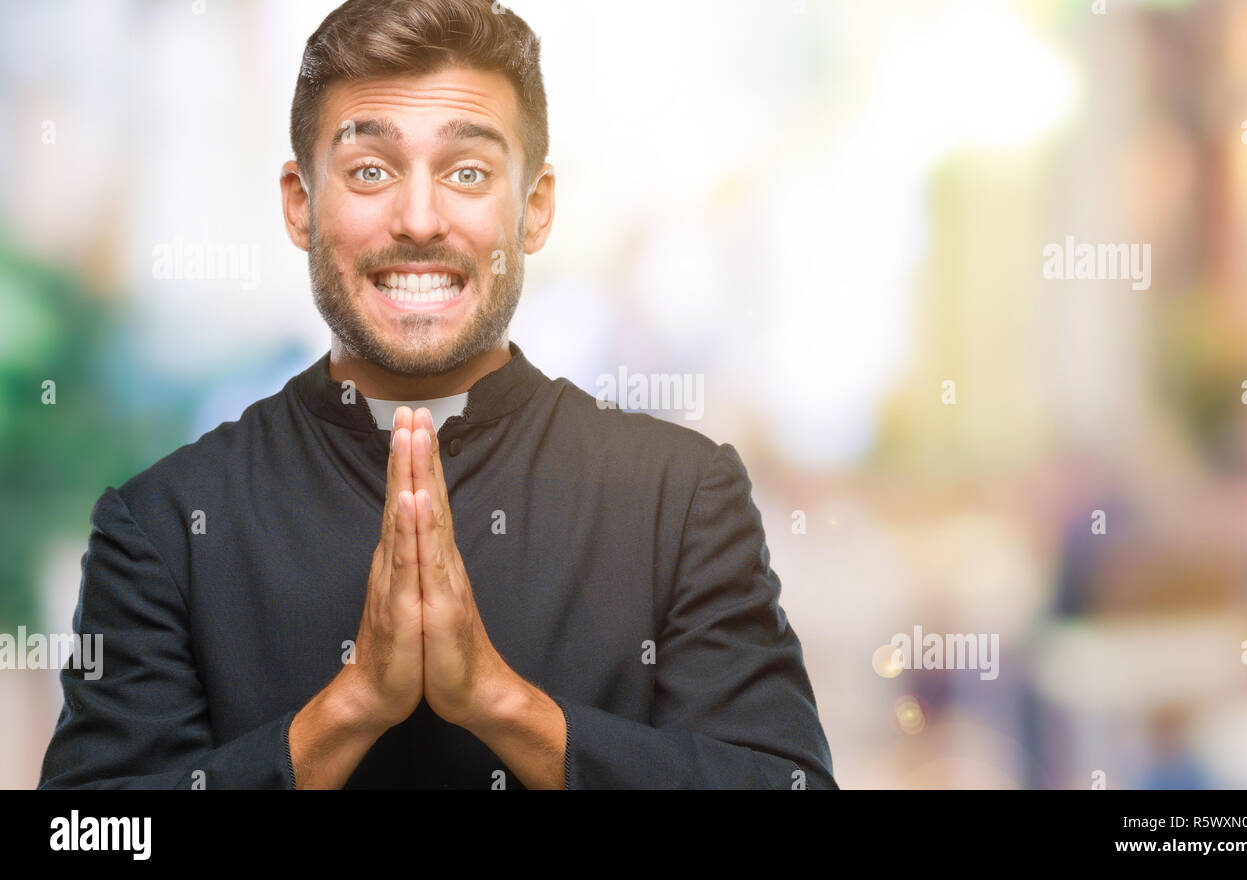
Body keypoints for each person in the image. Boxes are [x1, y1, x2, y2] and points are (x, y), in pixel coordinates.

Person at [38, 0, 836, 789]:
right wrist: (349, 710)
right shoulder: (165, 526)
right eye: (370, 171)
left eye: (467, 172)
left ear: (535, 208)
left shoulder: (679, 499)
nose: (418, 219)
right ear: (299, 203)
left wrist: (499, 702)